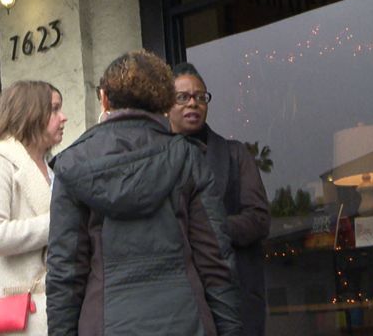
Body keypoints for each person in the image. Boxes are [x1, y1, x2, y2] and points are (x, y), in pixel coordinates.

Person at [47, 50, 241, 336]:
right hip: (187, 322)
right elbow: (216, 260)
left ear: (104, 99)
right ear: (163, 103)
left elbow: (64, 274)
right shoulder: (187, 158)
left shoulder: (73, 165)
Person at [169, 63, 272, 336]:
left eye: (200, 97)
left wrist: (208, 229)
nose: (193, 103)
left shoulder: (234, 154)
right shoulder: (157, 160)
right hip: (178, 302)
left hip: (234, 294)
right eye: (183, 97)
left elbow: (259, 219)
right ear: (165, 105)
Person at [0, 80, 67, 336]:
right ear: (31, 113)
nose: (63, 117)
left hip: (62, 310)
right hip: (24, 319)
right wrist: (59, 222)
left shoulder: (54, 167)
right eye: (55, 109)